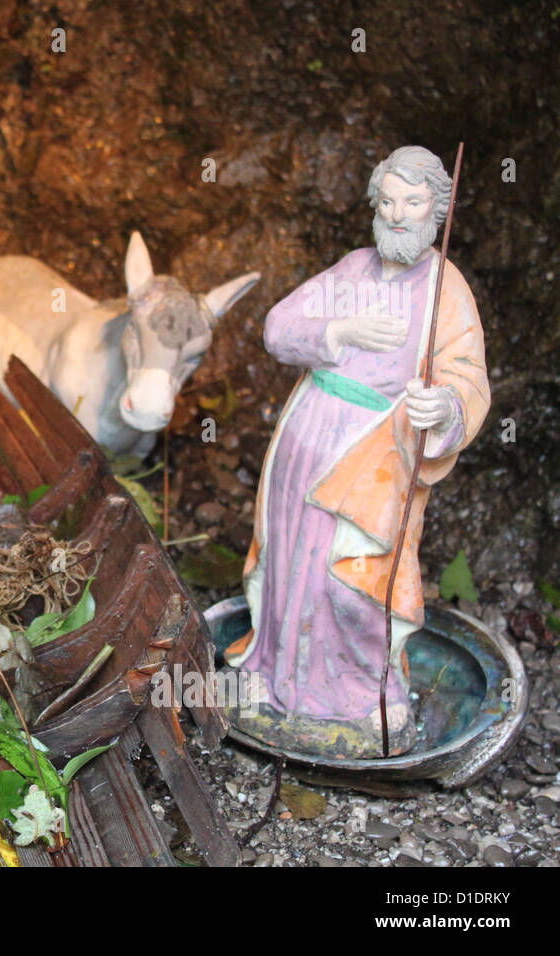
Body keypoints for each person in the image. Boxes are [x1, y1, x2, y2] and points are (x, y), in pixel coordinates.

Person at [225, 146, 490, 756]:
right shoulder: (352, 271)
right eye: (388, 201)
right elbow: (277, 328)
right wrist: (337, 333)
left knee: (354, 583)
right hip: (306, 436)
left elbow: (467, 375)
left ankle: (365, 699)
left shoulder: (445, 288)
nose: (399, 215)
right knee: (292, 564)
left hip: (377, 451)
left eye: (414, 202)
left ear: (438, 210)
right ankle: (277, 678)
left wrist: (445, 407)